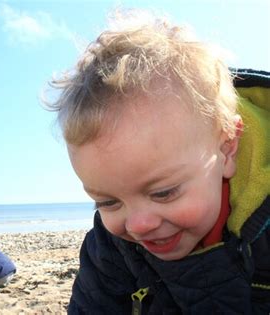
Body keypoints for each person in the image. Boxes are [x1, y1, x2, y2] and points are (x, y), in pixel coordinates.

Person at [45, 10, 270, 314]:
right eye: (108, 202)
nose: (138, 225)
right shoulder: (111, 248)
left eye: (163, 193)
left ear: (227, 148)